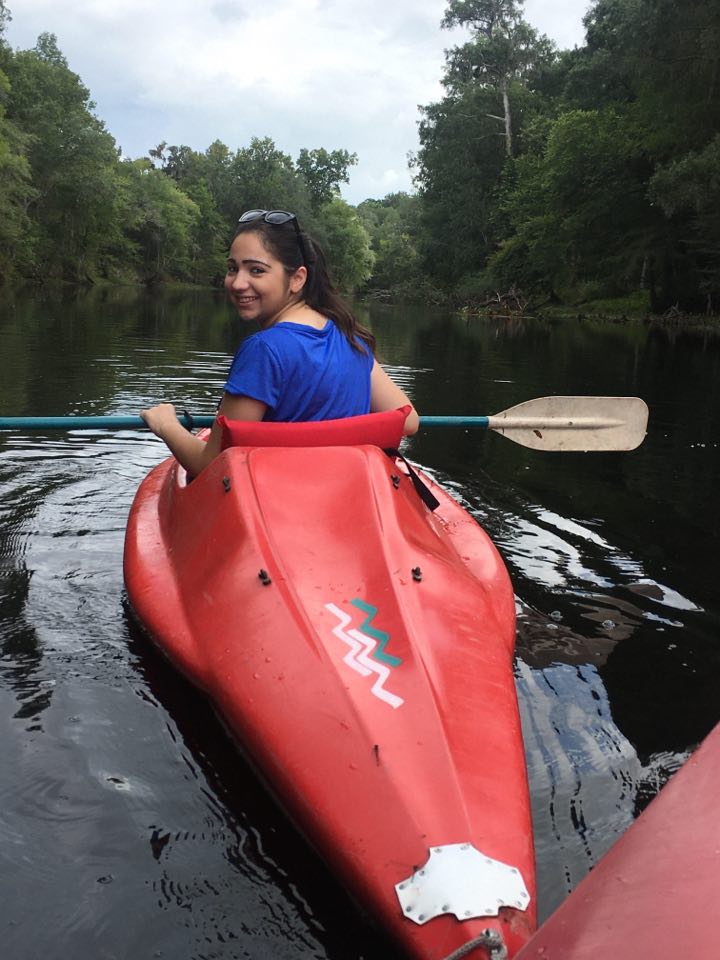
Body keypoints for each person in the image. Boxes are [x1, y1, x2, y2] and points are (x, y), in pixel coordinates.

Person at [141, 209, 419, 475]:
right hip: (342, 497)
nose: (238, 283)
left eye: (256, 271)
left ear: (297, 278)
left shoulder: (264, 350)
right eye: (232, 268)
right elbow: (407, 420)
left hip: (278, 503)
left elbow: (212, 464)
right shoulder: (351, 336)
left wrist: (167, 425)